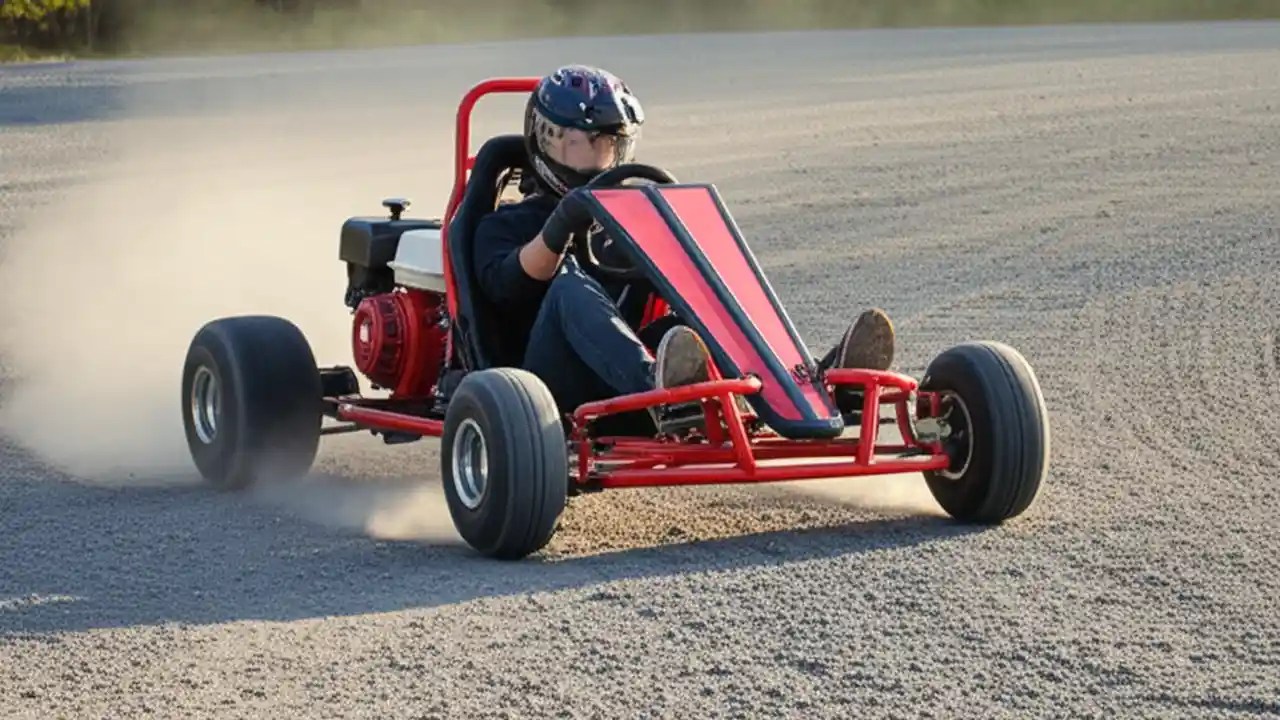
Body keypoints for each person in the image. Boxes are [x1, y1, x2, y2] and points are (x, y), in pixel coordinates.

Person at [472, 64, 895, 432]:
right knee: (568, 284)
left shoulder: (622, 222)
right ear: (546, 140)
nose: (596, 159)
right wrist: (561, 224)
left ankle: (819, 388)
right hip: (541, 392)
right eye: (581, 144)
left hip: (628, 380)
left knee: (705, 298)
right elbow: (506, 288)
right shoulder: (504, 223)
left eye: (606, 146)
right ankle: (662, 391)